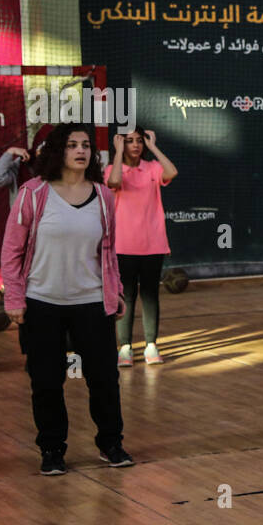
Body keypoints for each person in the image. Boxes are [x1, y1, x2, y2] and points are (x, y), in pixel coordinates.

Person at [0, 124, 132, 475]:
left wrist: (114, 291)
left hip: (90, 301)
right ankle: (52, 450)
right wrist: (14, 297)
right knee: (46, 381)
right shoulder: (33, 193)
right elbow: (11, 250)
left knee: (104, 378)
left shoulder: (103, 196)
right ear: (57, 151)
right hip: (42, 301)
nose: (81, 150)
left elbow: (109, 250)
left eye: (86, 145)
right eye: (72, 144)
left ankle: (111, 443)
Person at [108, 127, 178, 366]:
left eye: (139, 141)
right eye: (129, 141)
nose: (135, 145)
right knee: (126, 297)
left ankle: (151, 345)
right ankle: (125, 348)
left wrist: (153, 147)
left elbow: (172, 171)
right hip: (123, 246)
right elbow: (113, 181)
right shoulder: (112, 168)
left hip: (153, 244)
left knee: (150, 296)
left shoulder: (152, 168)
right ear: (120, 144)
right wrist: (118, 153)